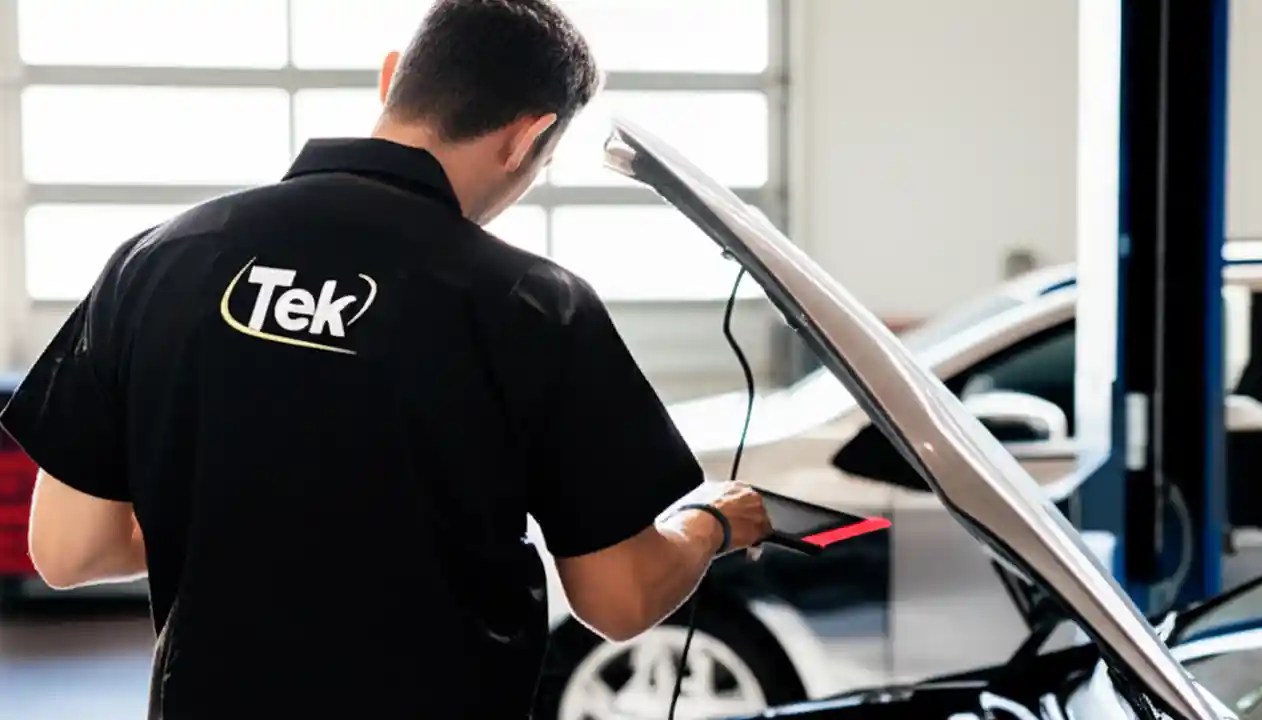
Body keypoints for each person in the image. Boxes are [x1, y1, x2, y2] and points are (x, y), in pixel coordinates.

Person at [0, 0, 773, 718]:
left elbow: (68, 550)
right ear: (528, 137)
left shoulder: (158, 259)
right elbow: (618, 597)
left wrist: (229, 519)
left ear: (392, 76)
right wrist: (713, 523)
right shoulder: (534, 305)